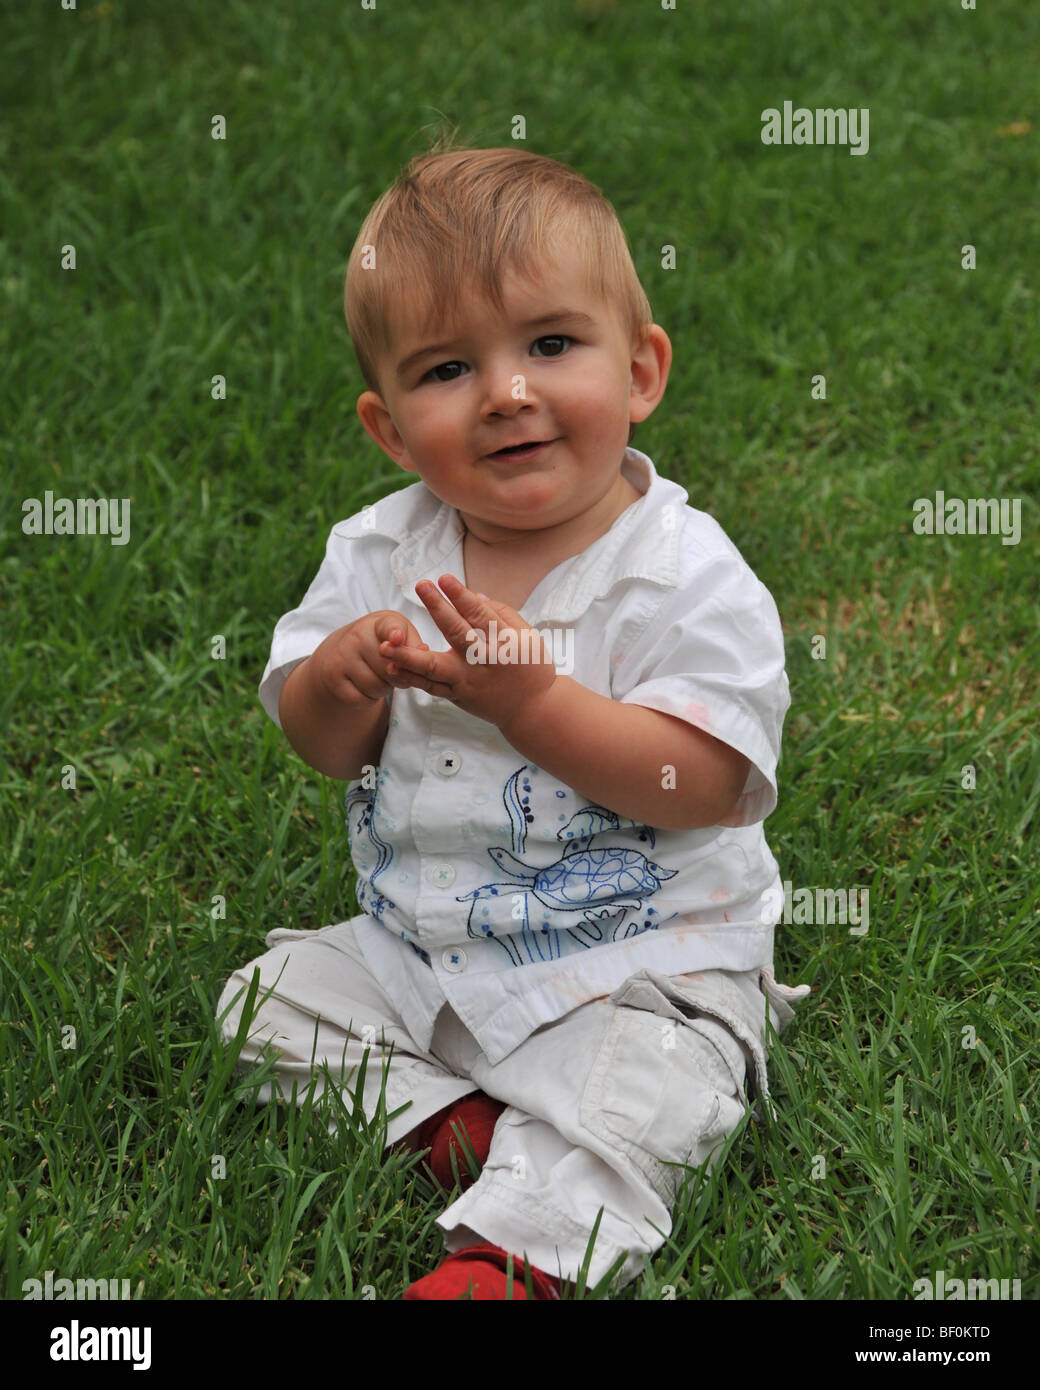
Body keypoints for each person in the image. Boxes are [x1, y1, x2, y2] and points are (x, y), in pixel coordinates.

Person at [216, 143, 810, 1300]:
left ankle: (509, 1259)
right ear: (389, 429)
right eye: (446, 368)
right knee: (264, 1004)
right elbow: (318, 738)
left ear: (639, 370)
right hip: (420, 954)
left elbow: (711, 783)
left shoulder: (681, 574)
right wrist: (338, 683)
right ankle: (476, 1137)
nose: (506, 392)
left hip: (639, 962)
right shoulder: (379, 554)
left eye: (549, 344)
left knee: (653, 1081)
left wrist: (534, 704)